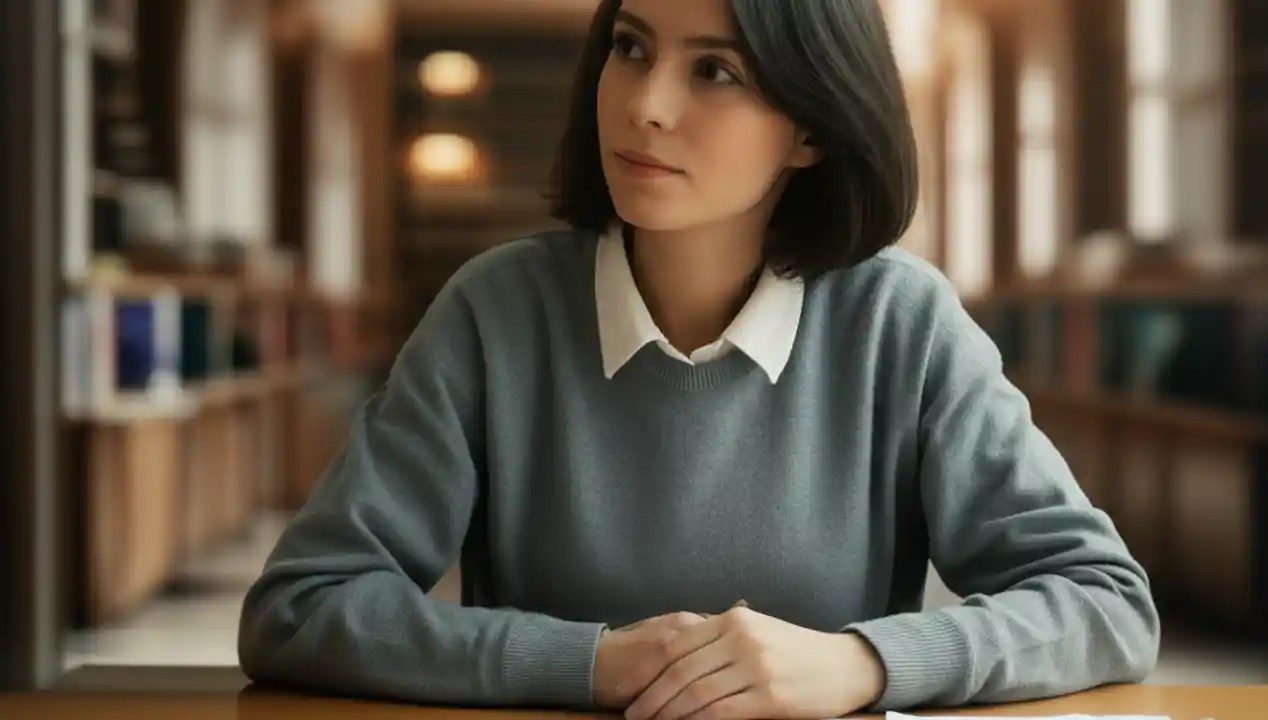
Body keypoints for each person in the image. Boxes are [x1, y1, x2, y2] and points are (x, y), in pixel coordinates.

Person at [238, 0, 1160, 717]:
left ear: (813, 128)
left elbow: (1106, 602)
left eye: (715, 70)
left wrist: (862, 663)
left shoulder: (902, 322)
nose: (644, 105)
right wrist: (591, 665)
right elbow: (301, 610)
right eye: (630, 47)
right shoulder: (495, 311)